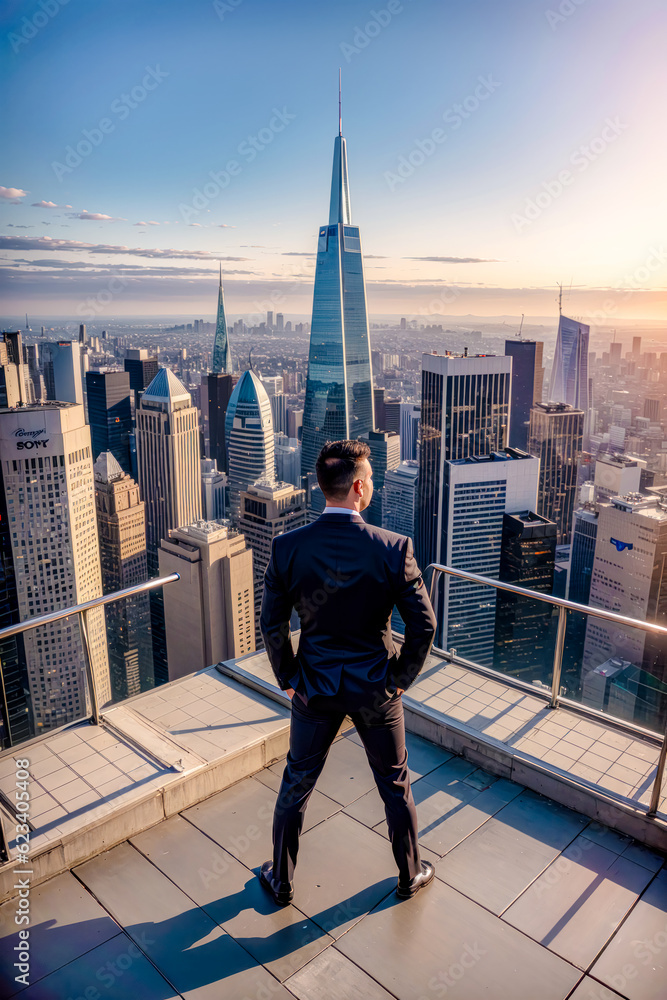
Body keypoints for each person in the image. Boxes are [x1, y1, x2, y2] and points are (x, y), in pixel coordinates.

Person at [258, 438, 437, 906]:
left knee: (296, 785)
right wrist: (399, 677)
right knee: (395, 785)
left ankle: (281, 881)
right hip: (376, 688)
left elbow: (271, 623)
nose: (374, 484)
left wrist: (291, 676)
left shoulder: (287, 547)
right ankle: (409, 873)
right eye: (372, 478)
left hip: (314, 687)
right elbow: (424, 624)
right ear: (358, 487)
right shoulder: (393, 548)